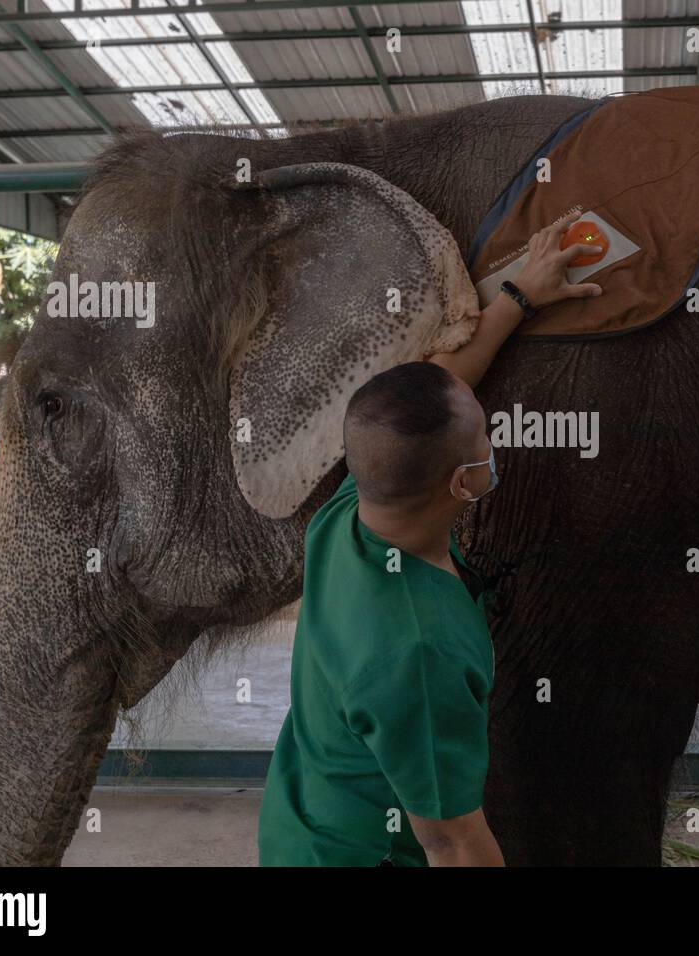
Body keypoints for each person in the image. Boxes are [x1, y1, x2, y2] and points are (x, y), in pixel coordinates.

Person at [258, 211, 603, 866]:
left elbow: (439, 391)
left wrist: (520, 295)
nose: (491, 436)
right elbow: (450, 839)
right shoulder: (419, 651)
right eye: (482, 435)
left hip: (299, 819)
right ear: (461, 485)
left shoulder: (348, 512)